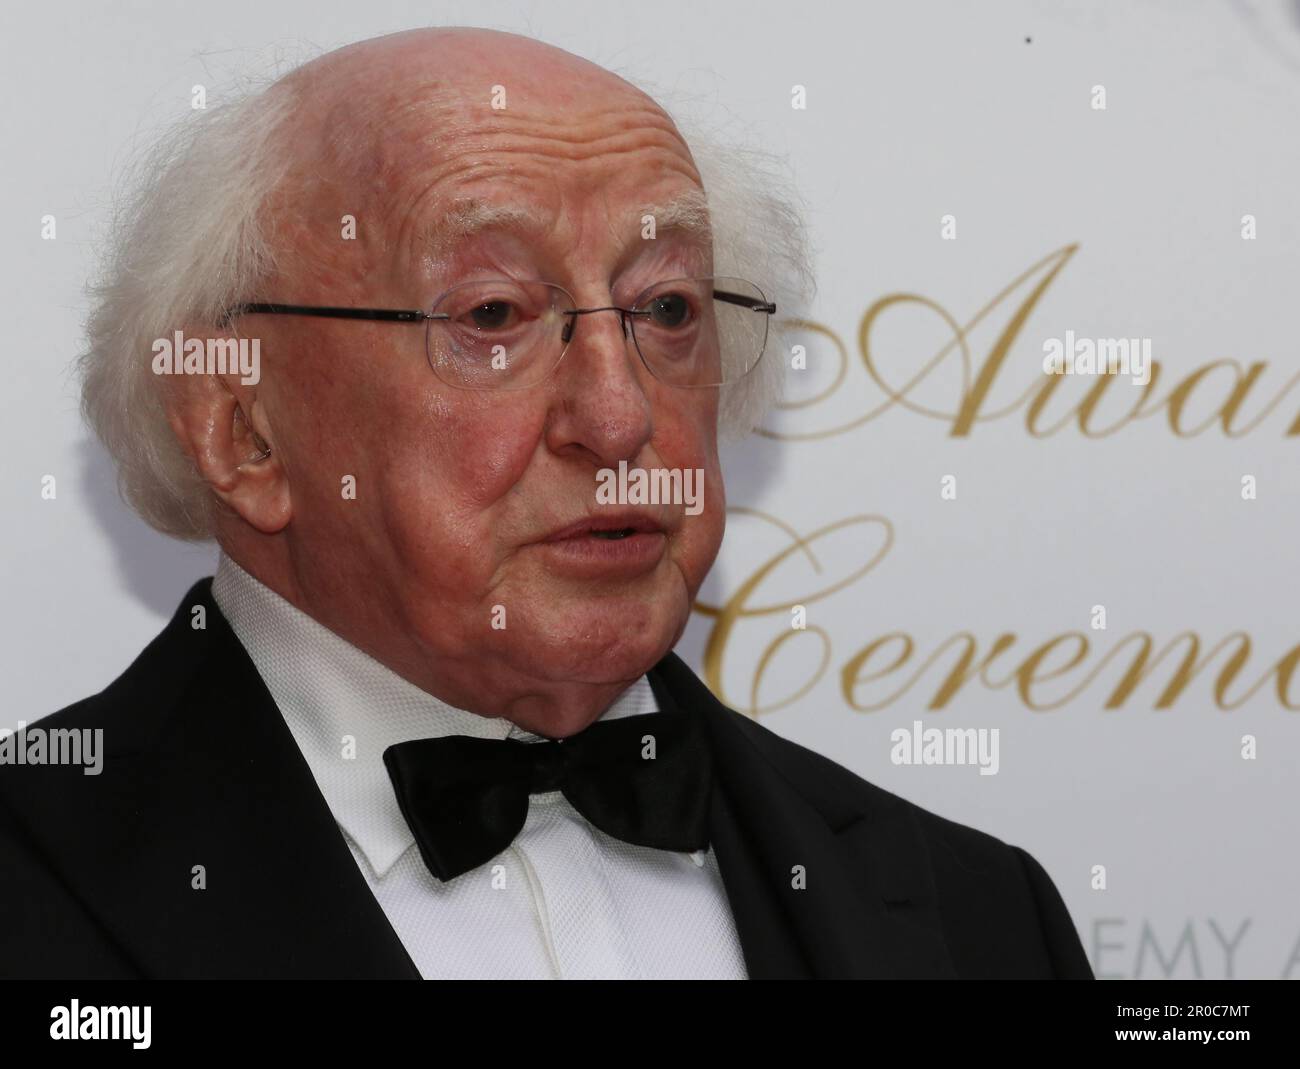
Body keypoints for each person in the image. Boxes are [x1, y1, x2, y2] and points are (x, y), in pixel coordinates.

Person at [0, 26, 1093, 979]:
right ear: (242, 430)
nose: (617, 418)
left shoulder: (978, 914)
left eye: (665, 306)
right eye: (491, 315)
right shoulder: (40, 889)